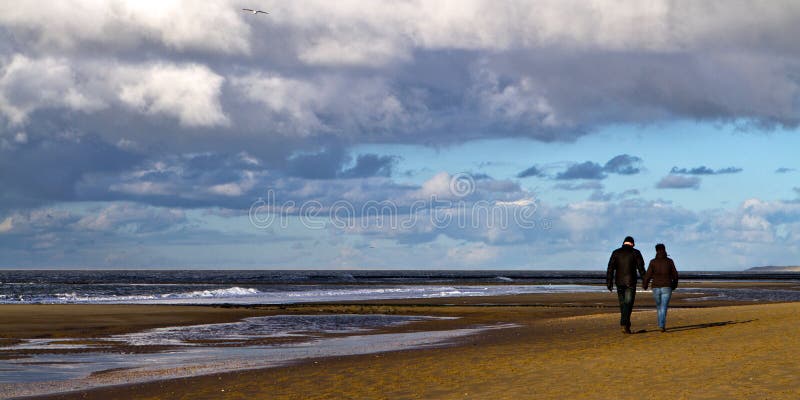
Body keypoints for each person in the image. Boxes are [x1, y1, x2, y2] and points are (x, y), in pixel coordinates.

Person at [606, 236, 645, 334]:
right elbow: (641, 268)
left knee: (623, 304)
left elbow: (610, 268)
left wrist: (609, 282)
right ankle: (624, 323)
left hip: (619, 282)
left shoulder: (616, 252)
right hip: (630, 283)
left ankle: (626, 326)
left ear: (624, 243)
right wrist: (645, 280)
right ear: (632, 243)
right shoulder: (636, 253)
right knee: (628, 304)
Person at [643, 243, 679, 332]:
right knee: (663, 307)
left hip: (656, 287)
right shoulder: (669, 261)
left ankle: (661, 324)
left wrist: (645, 284)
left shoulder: (653, 262)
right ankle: (661, 325)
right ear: (664, 249)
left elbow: (648, 275)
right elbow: (675, 274)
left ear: (656, 251)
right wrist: (674, 285)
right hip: (667, 286)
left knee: (659, 307)